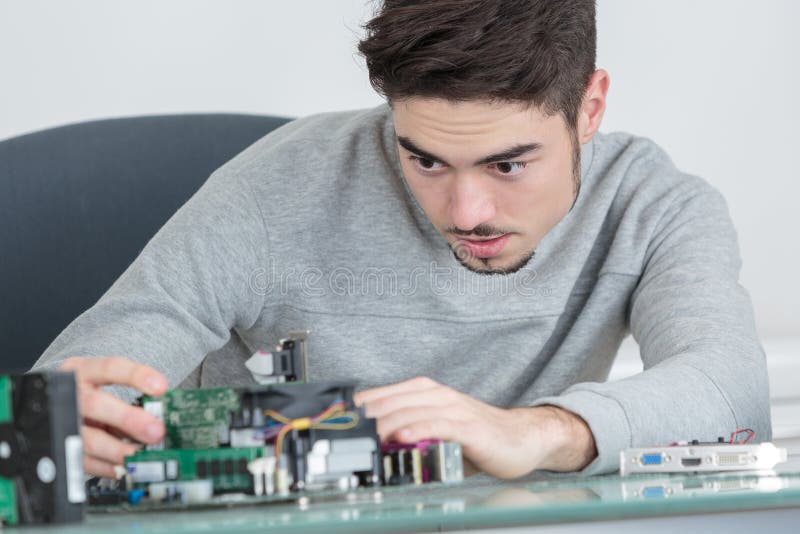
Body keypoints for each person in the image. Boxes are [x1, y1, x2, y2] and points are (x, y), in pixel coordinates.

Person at [31, 0, 770, 480]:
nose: (468, 210)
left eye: (509, 164)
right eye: (424, 158)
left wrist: (541, 432)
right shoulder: (271, 187)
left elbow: (730, 390)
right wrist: (72, 418)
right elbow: (75, 380)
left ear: (589, 108)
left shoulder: (656, 205)